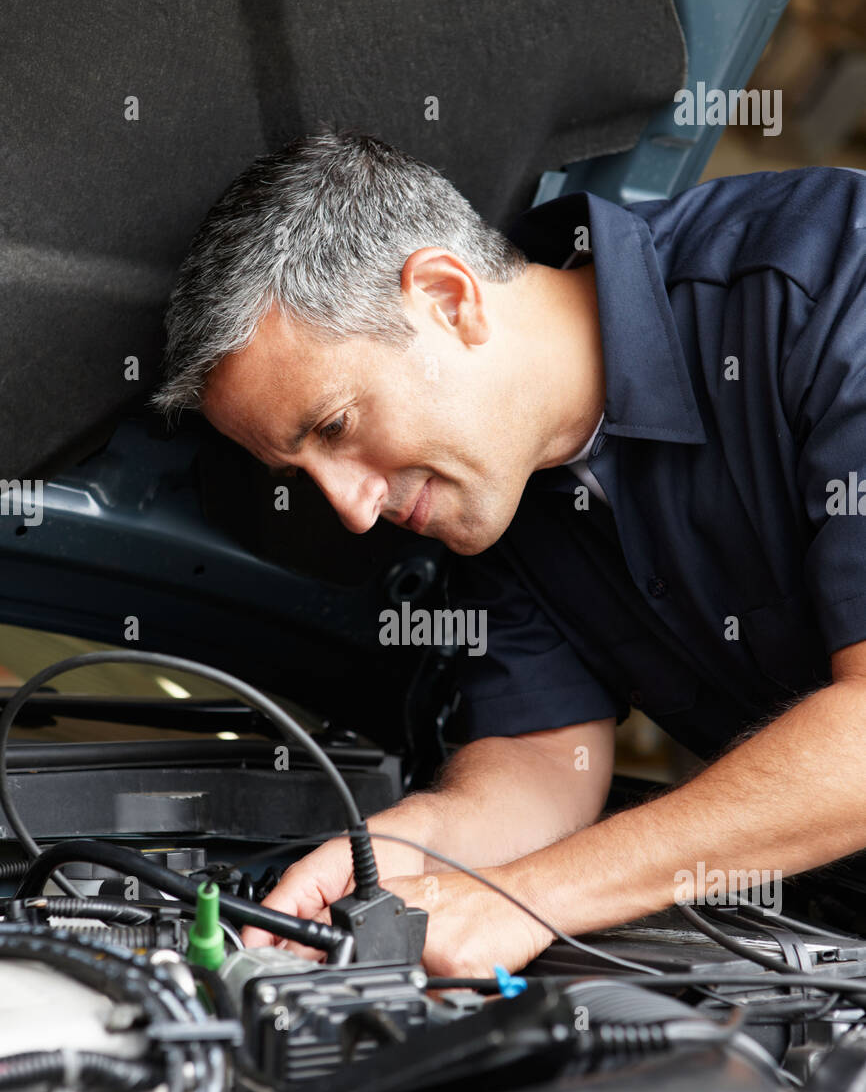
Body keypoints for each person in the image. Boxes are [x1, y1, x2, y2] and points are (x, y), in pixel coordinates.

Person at [154, 130, 866, 977]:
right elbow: (544, 757)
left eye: (335, 426)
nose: (351, 510)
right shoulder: (495, 493)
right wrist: (410, 844)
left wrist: (535, 896)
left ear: (450, 299)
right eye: (301, 473)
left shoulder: (824, 282)